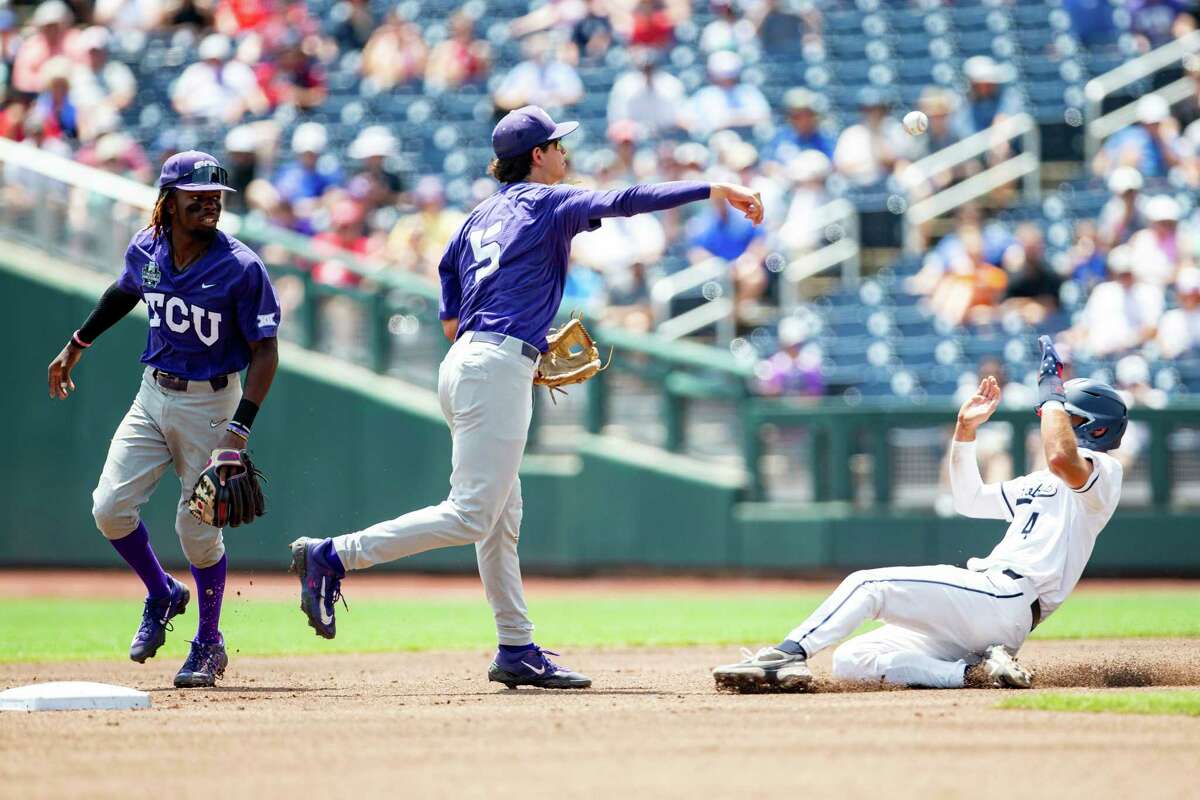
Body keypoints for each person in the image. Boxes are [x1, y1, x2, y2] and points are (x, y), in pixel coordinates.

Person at [288, 104, 763, 689]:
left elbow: (449, 321)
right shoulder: (547, 202)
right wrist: (715, 186)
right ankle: (333, 555)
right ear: (537, 156)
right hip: (494, 367)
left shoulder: (470, 223)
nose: (565, 152)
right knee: (473, 513)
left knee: (500, 520)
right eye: (558, 145)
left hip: (464, 362)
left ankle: (516, 647)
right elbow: (627, 199)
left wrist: (516, 347)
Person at [713, 338, 1126, 691]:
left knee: (868, 584)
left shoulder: (1102, 472)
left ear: (1097, 428)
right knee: (853, 659)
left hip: (1006, 597)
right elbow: (969, 500)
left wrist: (1052, 391)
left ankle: (786, 655)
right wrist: (965, 433)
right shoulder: (1042, 481)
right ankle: (975, 672)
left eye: (1063, 415)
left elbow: (1060, 455)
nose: (1050, 417)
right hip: (989, 608)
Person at [45, 152, 281, 688]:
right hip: (152, 393)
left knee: (195, 529)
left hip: (214, 404)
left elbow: (265, 352)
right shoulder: (147, 247)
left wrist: (239, 430)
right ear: (168, 200)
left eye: (216, 196)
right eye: (195, 194)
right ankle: (161, 591)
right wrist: (76, 345)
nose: (208, 203)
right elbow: (123, 292)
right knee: (109, 509)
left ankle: (209, 642)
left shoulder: (241, 266)